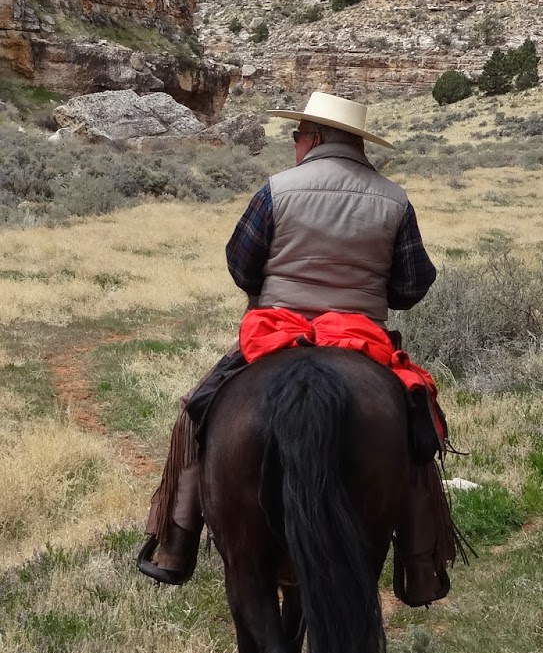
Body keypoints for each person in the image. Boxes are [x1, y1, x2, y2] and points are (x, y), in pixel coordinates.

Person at [137, 90, 452, 605]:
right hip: (360, 338)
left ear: (317, 138)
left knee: (197, 411)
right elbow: (412, 285)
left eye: (297, 135)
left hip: (277, 331)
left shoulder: (277, 189)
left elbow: (241, 263)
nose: (295, 144)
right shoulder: (394, 198)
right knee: (419, 430)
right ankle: (419, 564)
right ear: (357, 143)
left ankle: (177, 540)